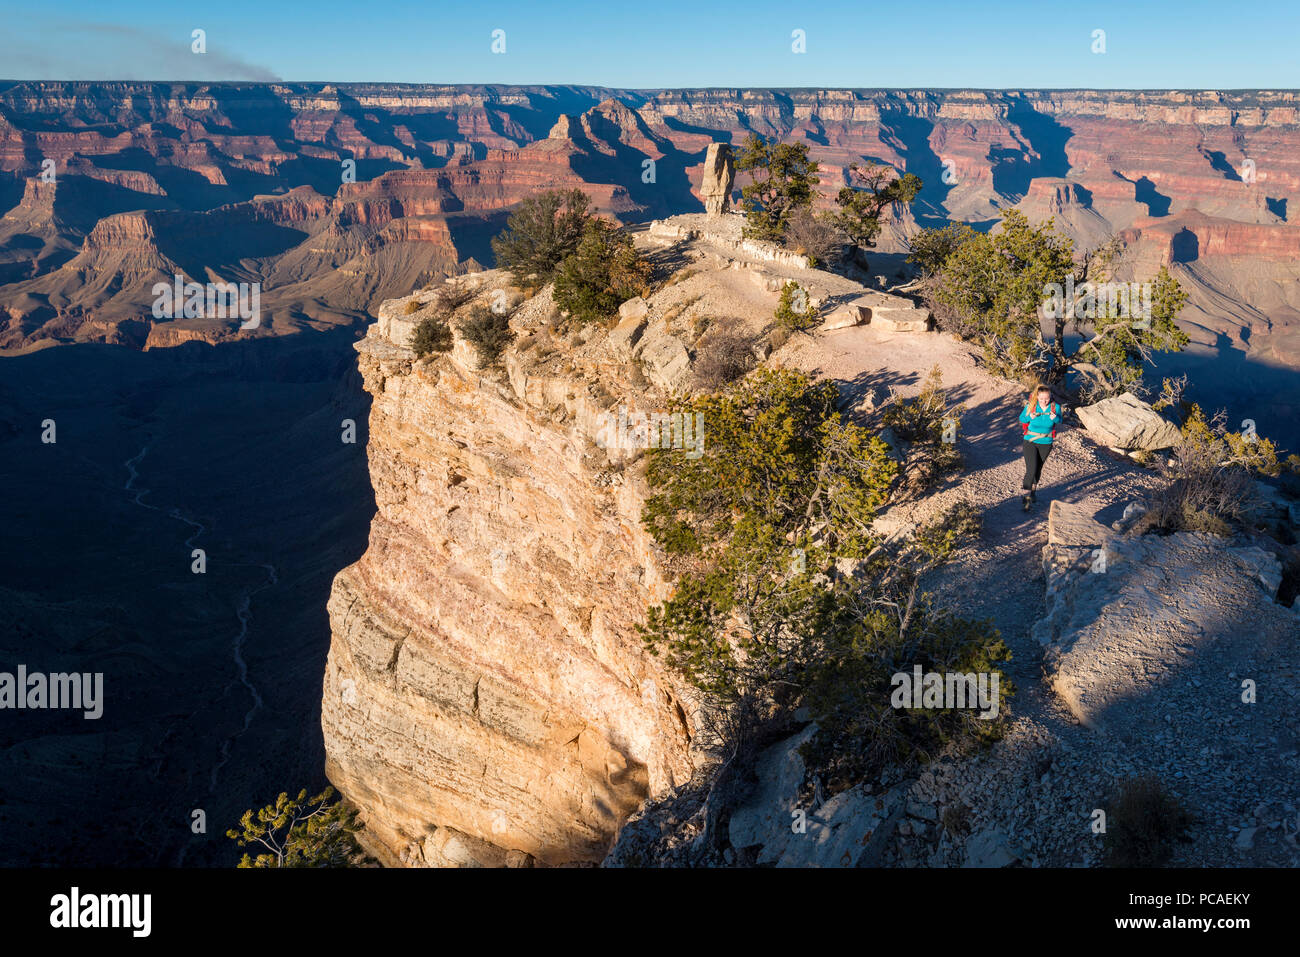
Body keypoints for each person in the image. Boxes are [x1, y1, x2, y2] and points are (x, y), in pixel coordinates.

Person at [1018, 384, 1060, 510]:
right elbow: (1022, 419)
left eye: (1046, 398)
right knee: (1031, 469)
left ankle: (1033, 492)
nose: (1044, 401)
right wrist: (1029, 417)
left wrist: (1055, 418)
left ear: (1050, 397)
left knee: (1038, 469)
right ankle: (1026, 498)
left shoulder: (1055, 407)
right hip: (1030, 440)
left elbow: (1060, 420)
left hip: (1046, 442)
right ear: (1037, 397)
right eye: (1041, 398)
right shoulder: (1031, 406)